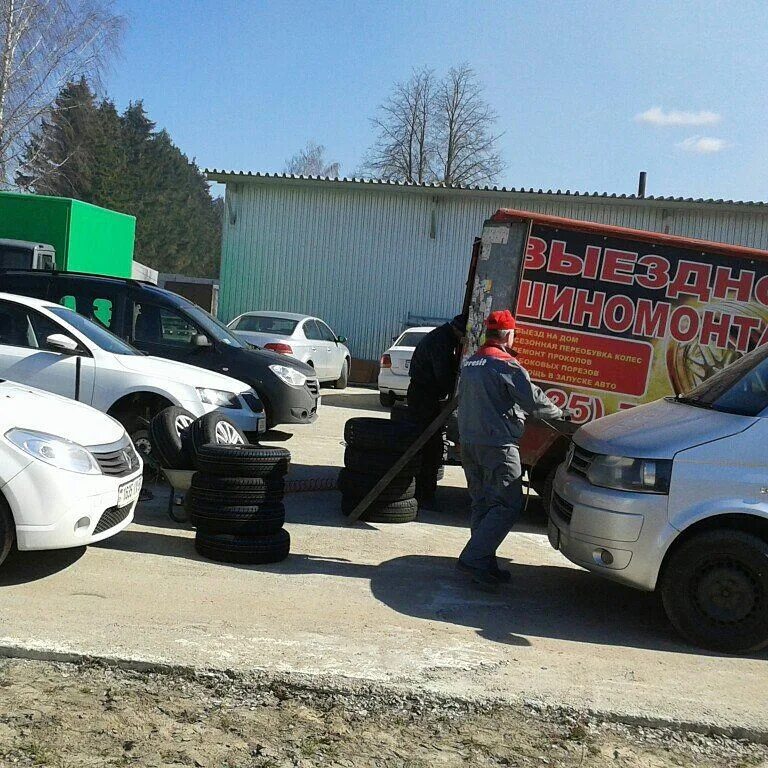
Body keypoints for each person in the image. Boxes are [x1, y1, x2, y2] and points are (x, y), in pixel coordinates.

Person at [456, 309, 566, 588]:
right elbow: (535, 401)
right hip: (498, 445)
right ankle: (474, 557)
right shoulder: (506, 365)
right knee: (507, 504)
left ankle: (484, 562)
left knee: (483, 503)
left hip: (469, 443)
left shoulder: (472, 363)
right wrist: (560, 414)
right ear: (507, 334)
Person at [406, 313, 467, 507]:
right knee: (430, 447)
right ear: (459, 331)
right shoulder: (442, 341)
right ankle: (424, 496)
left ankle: (423, 492)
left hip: (425, 394)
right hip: (423, 395)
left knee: (430, 446)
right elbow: (442, 375)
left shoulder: (443, 337)